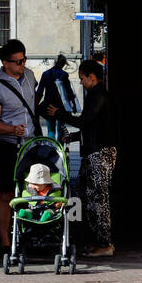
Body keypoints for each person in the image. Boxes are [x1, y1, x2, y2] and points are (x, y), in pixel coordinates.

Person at [48, 58, 117, 258]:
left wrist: (60, 113)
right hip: (93, 151)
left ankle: (104, 244)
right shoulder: (96, 95)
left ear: (91, 77)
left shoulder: (98, 96)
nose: (80, 82)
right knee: (86, 196)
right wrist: (74, 137)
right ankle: (96, 241)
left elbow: (85, 122)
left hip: (99, 152)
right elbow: (93, 127)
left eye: (82, 78)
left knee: (98, 198)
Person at [0, 39, 40, 251]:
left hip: (30, 144)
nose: (22, 65)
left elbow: (33, 103)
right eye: (17, 62)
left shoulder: (30, 76)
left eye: (24, 60)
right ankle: (5, 241)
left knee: (33, 190)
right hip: (7, 146)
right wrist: (11, 129)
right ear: (5, 63)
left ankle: (27, 231)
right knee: (6, 194)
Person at [36, 53, 78, 140]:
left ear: (55, 62)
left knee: (50, 130)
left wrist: (35, 105)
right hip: (61, 106)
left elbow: (40, 91)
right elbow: (69, 91)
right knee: (61, 130)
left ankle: (52, 150)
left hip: (49, 105)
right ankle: (60, 150)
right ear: (63, 64)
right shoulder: (64, 75)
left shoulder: (45, 74)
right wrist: (73, 105)